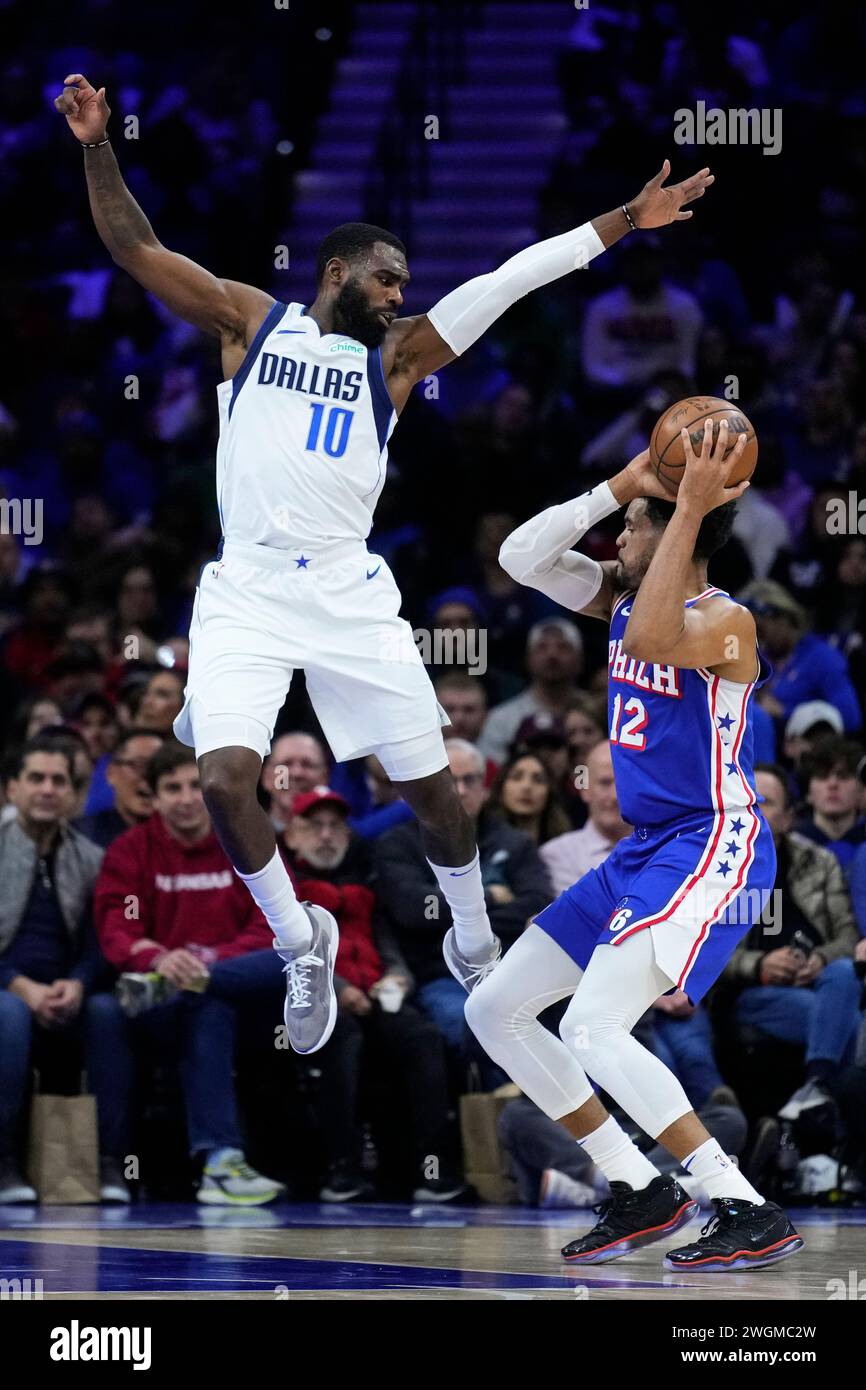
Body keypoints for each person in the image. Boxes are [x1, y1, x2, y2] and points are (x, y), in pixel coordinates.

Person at [55, 71, 714, 1054]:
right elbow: (134, 246)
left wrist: (620, 220)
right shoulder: (250, 321)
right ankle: (297, 943)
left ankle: (476, 932)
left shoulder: (396, 361)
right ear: (335, 274)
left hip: (351, 594)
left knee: (436, 797)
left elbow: (506, 280)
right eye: (387, 278)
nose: (402, 294)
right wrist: (98, 143)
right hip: (246, 589)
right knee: (228, 775)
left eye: (405, 283)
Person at [467, 424, 803, 1271]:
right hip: (646, 846)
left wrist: (685, 505)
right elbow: (517, 556)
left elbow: (656, 642)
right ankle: (637, 1186)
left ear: (682, 528)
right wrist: (620, 485)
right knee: (494, 1008)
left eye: (634, 525)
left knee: (593, 1026)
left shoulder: (726, 621)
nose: (617, 538)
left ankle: (740, 1203)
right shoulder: (622, 593)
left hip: (712, 841)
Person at [93, 740, 286, 1205]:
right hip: (165, 999)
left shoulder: (246, 841)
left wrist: (207, 962)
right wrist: (157, 958)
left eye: (193, 786)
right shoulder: (130, 851)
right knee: (194, 1002)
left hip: (239, 988)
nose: (184, 798)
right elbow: (116, 927)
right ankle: (212, 1163)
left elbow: (274, 924)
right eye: (170, 788)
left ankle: (222, 1163)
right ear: (153, 798)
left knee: (273, 964)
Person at [280, 787, 464, 1202]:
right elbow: (287, 953)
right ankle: (341, 1171)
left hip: (376, 992)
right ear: (291, 835)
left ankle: (434, 1171)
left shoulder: (366, 881)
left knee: (422, 1037)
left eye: (335, 826)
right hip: (317, 999)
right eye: (314, 826)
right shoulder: (284, 888)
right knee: (342, 1038)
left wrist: (398, 978)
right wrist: (338, 990)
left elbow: (387, 944)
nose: (326, 835)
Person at [375, 740, 552, 1058]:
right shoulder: (397, 844)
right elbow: (412, 909)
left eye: (470, 780)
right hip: (439, 975)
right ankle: (502, 1107)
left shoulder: (514, 842)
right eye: (449, 780)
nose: (460, 789)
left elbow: (537, 903)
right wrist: (491, 898)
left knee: (563, 1020)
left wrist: (459, 916)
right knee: (476, 1028)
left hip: (511, 971)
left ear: (485, 788)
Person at [719, 764, 862, 1123]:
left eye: (765, 802)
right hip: (755, 993)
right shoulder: (723, 871)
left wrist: (820, 958)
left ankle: (813, 1095)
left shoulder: (819, 862)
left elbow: (847, 937)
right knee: (850, 1026)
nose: (753, 809)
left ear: (787, 817)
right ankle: (831, 1130)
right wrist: (760, 965)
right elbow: (709, 954)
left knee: (843, 972)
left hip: (826, 982)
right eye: (746, 800)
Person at [0, 737, 107, 1202]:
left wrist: (79, 983)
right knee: (10, 1015)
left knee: (108, 1014)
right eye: (35, 779)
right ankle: (4, 1163)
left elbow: (103, 944)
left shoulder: (92, 859)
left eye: (58, 780)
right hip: (9, 992)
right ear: (11, 790)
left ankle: (108, 1164)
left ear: (72, 793)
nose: (47, 789)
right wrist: (20, 986)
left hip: (64, 993)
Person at [739, 578, 862, 733]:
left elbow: (850, 717)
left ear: (785, 619)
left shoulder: (823, 658)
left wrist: (785, 713)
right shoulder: (760, 657)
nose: (758, 639)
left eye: (760, 630)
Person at [479, 618, 586, 768]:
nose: (552, 655)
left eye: (563, 647)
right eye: (542, 647)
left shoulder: (600, 712)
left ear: (581, 659)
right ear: (527, 659)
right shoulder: (501, 719)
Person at [541, 740, 631, 897]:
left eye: (623, 783)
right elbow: (576, 916)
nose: (615, 796)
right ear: (585, 789)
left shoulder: (663, 848)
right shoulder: (557, 853)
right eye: (605, 783)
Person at [75, 727, 166, 848]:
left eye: (159, 766)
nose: (149, 776)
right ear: (111, 773)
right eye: (139, 765)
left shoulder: (185, 837)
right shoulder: (81, 837)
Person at [794, 736, 866, 874]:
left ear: (860, 790)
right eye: (822, 776)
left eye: (843, 776)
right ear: (808, 792)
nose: (833, 784)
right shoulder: (791, 845)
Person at [486, 751, 572, 847]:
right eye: (516, 777)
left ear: (550, 791)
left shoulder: (566, 847)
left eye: (538, 780)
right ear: (501, 787)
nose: (527, 787)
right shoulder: (481, 845)